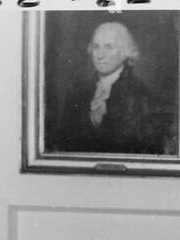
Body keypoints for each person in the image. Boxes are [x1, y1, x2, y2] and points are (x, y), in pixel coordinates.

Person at [51, 21, 171, 155]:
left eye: (108, 47)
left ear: (124, 53)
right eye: (96, 47)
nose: (100, 55)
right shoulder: (76, 92)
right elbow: (62, 144)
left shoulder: (140, 94)